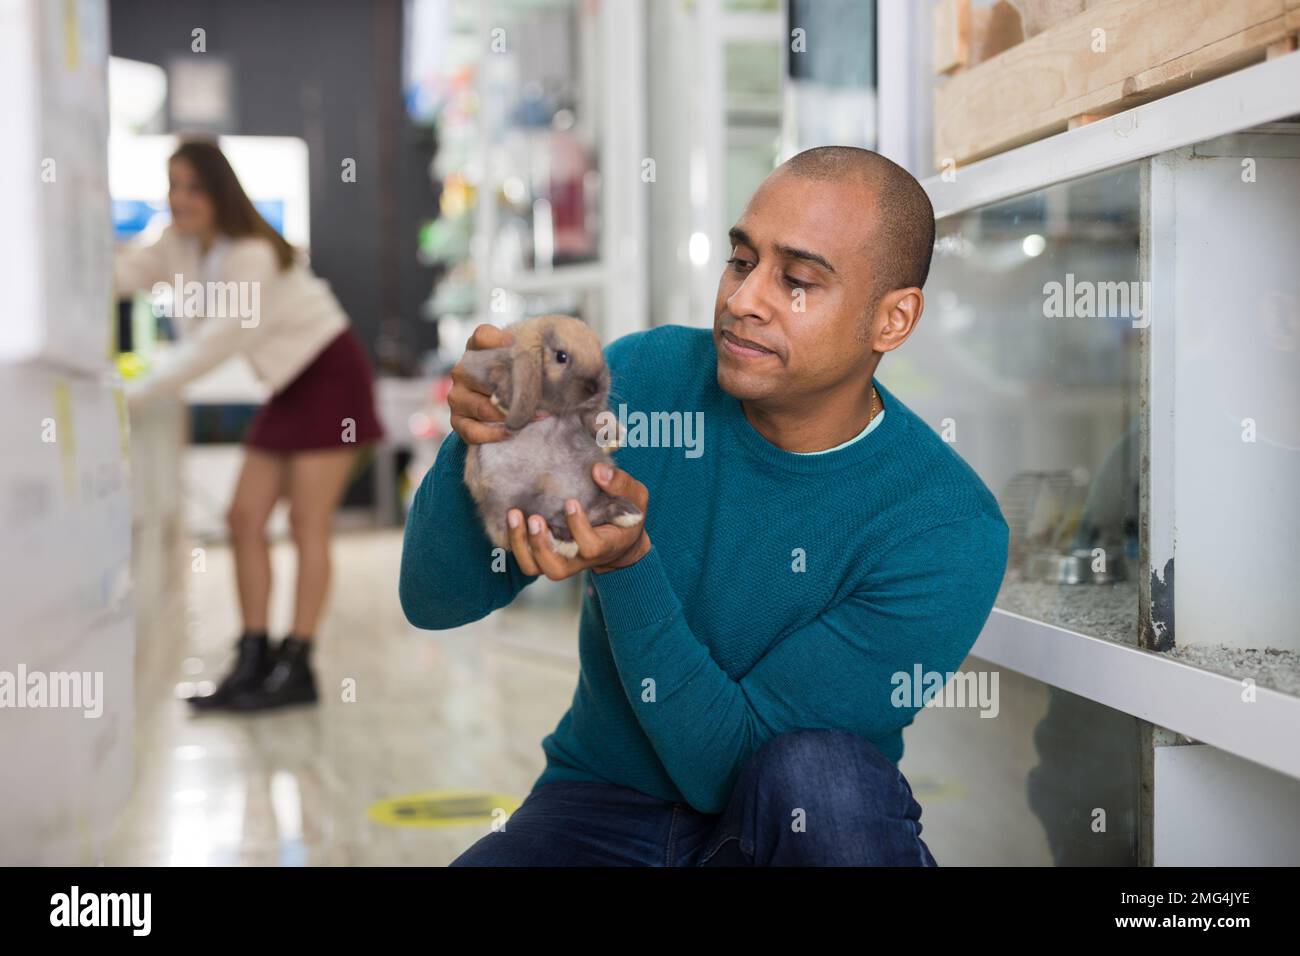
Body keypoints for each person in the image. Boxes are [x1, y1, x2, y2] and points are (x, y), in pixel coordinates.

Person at [400, 146, 1010, 865]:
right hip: (596, 805)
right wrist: (480, 438)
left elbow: (730, 766)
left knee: (827, 779)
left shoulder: (945, 526)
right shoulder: (647, 376)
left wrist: (629, 566)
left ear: (893, 320)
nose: (744, 299)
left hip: (787, 824)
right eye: (742, 260)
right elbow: (433, 598)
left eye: (800, 280)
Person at [116, 139, 385, 712]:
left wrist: (138, 392)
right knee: (244, 518)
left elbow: (222, 341)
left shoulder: (253, 253)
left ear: (219, 191)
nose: (180, 199)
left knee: (308, 523)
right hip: (288, 384)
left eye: (193, 186)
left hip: (328, 372)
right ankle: (253, 657)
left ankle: (299, 665)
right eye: (173, 186)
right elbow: (123, 274)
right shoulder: (178, 244)